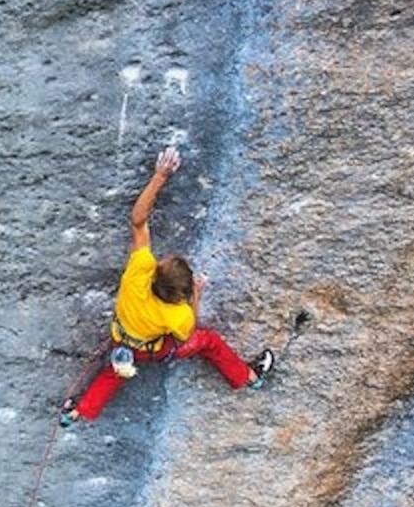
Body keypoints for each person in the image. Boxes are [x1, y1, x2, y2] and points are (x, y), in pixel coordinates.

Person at [64, 147, 274, 424]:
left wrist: (160, 176)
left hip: (122, 338)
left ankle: (78, 412)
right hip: (153, 348)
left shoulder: (139, 272)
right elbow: (187, 335)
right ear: (179, 296)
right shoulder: (177, 313)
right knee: (208, 341)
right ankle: (249, 377)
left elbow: (138, 220)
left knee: (115, 370)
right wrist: (196, 295)